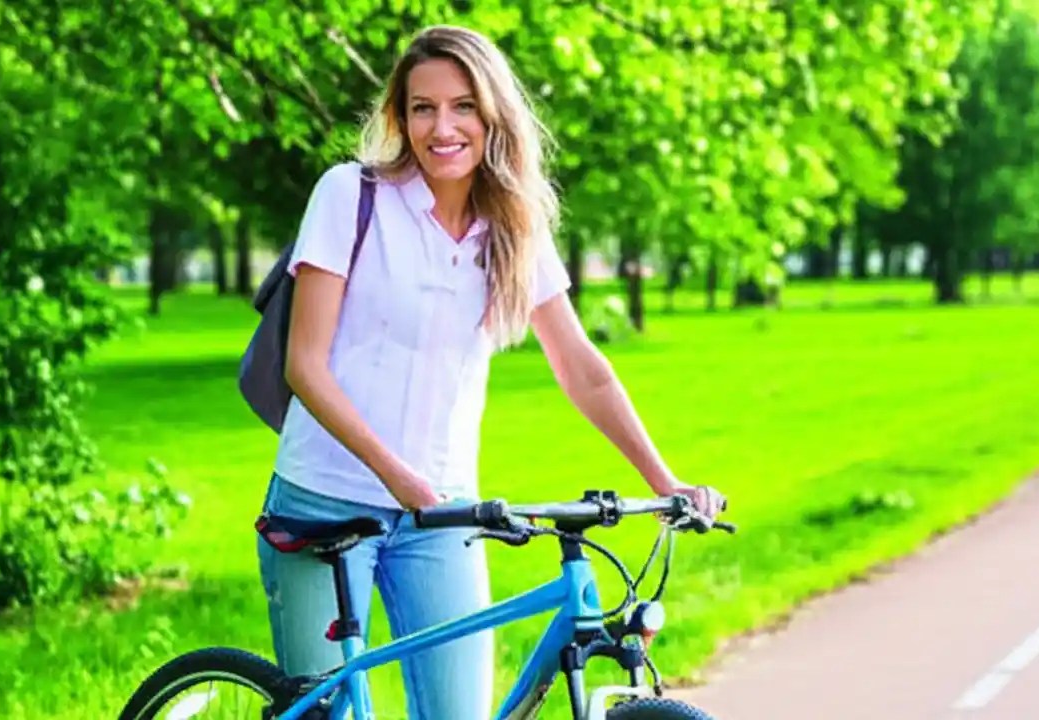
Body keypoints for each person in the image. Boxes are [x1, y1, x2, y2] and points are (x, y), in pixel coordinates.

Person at [255, 24, 726, 719]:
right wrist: (398, 478)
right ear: (400, 116)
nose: (441, 127)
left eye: (462, 106)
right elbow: (305, 365)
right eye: (422, 107)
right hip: (324, 500)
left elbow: (580, 367)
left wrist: (666, 482)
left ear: (493, 114)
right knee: (328, 713)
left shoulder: (513, 227)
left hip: (442, 514)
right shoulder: (350, 196)